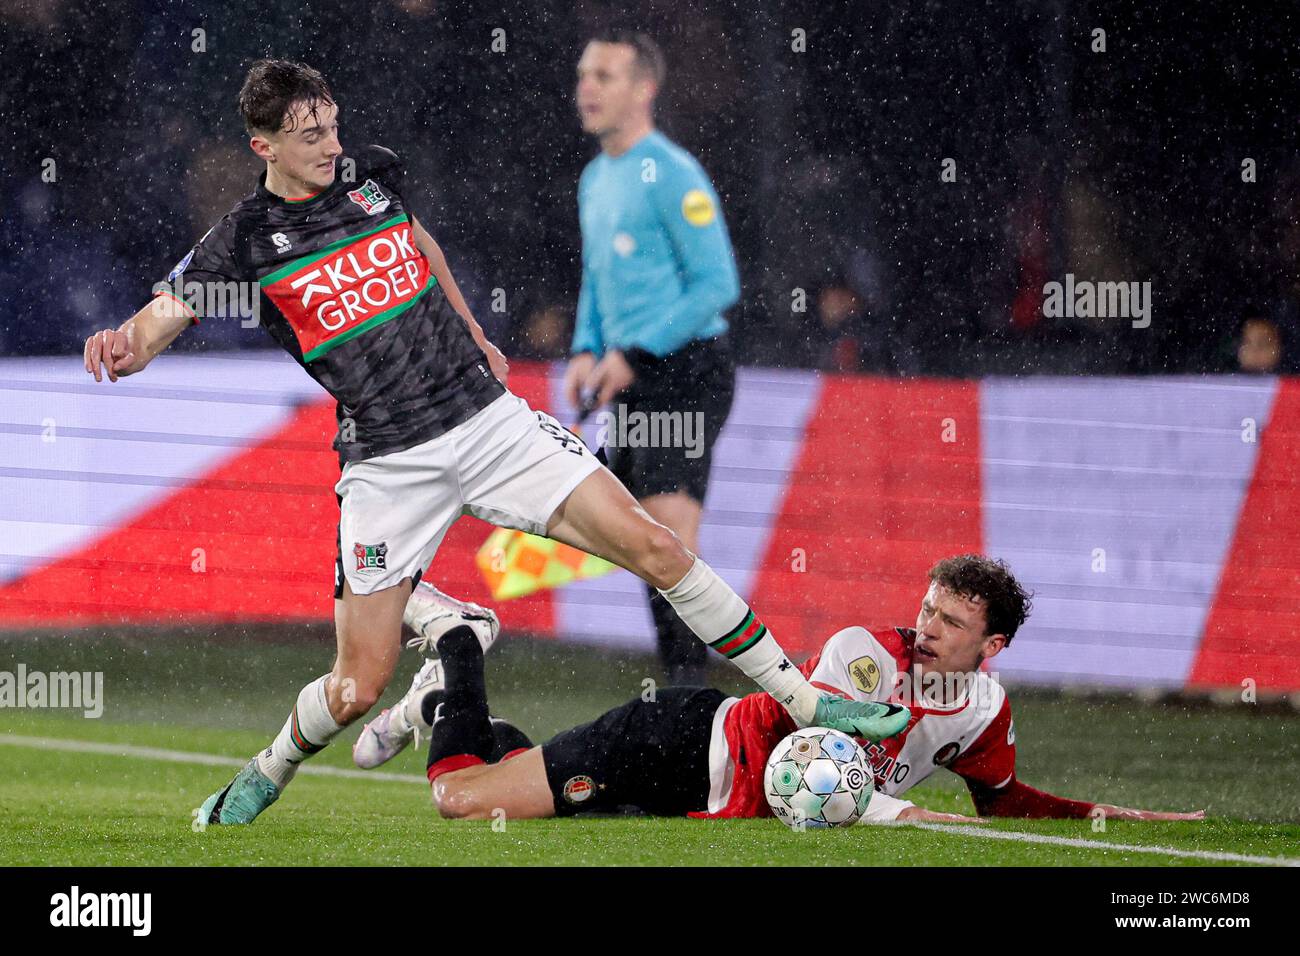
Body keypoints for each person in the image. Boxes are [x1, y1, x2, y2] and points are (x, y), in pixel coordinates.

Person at [82, 59, 907, 826]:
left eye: (333, 126)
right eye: (309, 136)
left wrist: (473, 328)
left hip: (489, 423)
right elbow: (164, 316)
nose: (331, 145)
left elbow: (416, 243)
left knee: (656, 547)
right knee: (356, 685)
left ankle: (804, 700)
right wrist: (123, 344)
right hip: (388, 464)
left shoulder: (369, 173)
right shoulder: (246, 240)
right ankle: (268, 769)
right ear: (263, 147)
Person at [359, 555, 1205, 826]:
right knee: (458, 802)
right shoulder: (864, 655)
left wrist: (1104, 817)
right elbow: (810, 759)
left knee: (523, 786)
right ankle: (458, 653)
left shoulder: (984, 709)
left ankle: (483, 721)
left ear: (995, 646)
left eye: (951, 622)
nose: (929, 626)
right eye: (929, 609)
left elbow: (1003, 799)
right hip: (679, 741)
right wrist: (911, 816)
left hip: (694, 794)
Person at [563, 32, 740, 685]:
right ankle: (688, 697)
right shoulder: (595, 176)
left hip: (687, 371)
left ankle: (694, 704)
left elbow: (716, 284)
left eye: (604, 75)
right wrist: (587, 346)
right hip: (631, 375)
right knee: (649, 548)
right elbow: (598, 277)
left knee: (667, 543)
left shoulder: (672, 172)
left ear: (644, 89)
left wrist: (634, 350)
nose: (587, 87)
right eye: (584, 73)